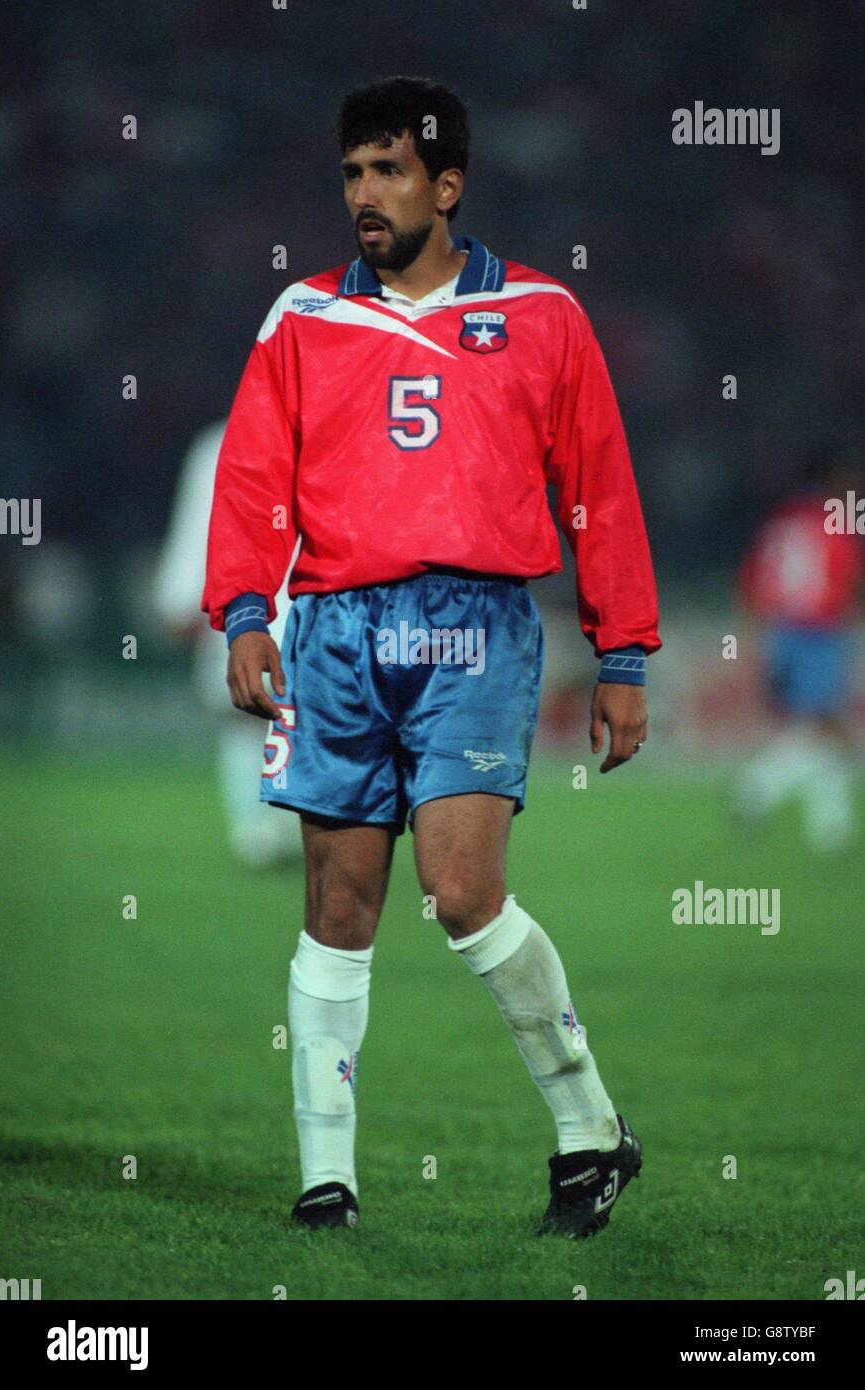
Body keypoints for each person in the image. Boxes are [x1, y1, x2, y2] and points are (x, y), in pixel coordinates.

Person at [202, 76, 661, 1238]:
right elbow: (254, 475)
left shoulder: (544, 315)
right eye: (352, 171)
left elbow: (597, 486)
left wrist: (626, 651)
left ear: (445, 185)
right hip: (337, 629)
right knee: (337, 901)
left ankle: (591, 1130)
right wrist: (246, 610)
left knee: (460, 893)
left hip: (475, 629)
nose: (364, 193)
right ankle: (326, 1180)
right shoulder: (302, 314)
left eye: (389, 171)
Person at [154, 419, 302, 867]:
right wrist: (182, 597)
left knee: (287, 717)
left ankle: (277, 826)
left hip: (304, 599)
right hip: (245, 600)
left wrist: (178, 594)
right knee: (245, 713)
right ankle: (257, 829)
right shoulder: (221, 442)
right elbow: (202, 522)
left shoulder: (333, 429)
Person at [735, 448, 862, 851]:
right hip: (818, 632)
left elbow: (754, 579)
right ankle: (758, 789)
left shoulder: (782, 520)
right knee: (825, 727)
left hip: (782, 631)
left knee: (825, 730)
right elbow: (847, 579)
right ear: (832, 480)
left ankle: (831, 828)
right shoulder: (835, 521)